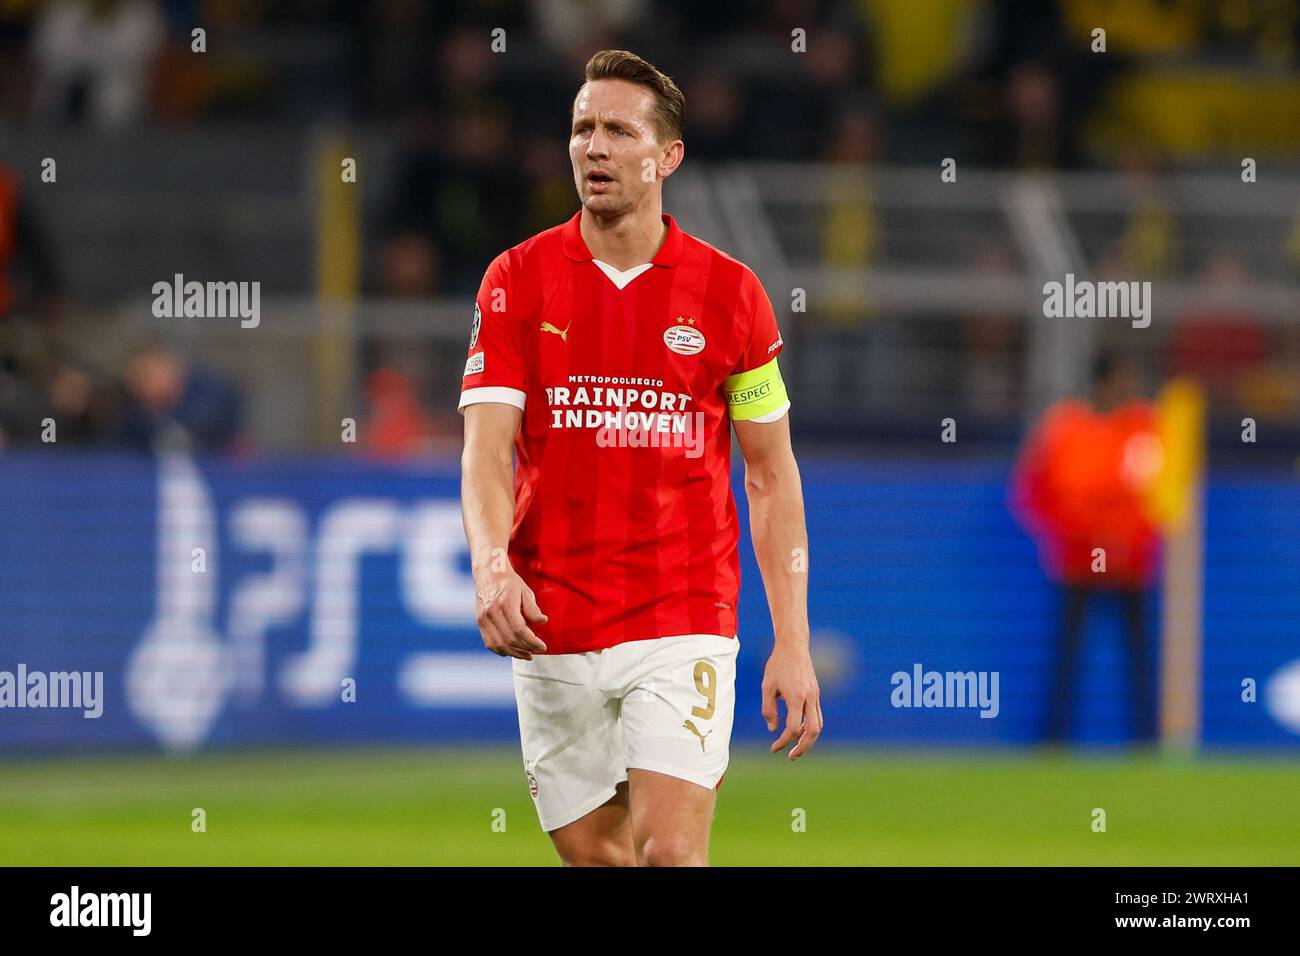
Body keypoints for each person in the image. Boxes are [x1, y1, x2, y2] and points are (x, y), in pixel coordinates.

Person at [458, 50, 821, 866]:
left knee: (670, 856)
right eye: (583, 128)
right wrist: (490, 565)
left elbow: (769, 474)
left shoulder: (732, 295)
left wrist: (791, 640)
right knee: (598, 858)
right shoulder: (515, 282)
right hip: (554, 618)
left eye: (619, 131)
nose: (594, 147)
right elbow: (486, 451)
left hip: (681, 614)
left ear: (667, 158)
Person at [1011, 352, 1162, 745]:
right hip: (1078, 564)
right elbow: (1034, 492)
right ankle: (1054, 743)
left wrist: (1132, 539)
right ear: (1103, 384)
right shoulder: (1066, 429)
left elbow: (1160, 494)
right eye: (1122, 381)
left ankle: (1148, 742)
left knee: (1139, 658)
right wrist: (1072, 538)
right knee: (1068, 656)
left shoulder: (1145, 427)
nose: (1127, 390)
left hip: (1131, 566)